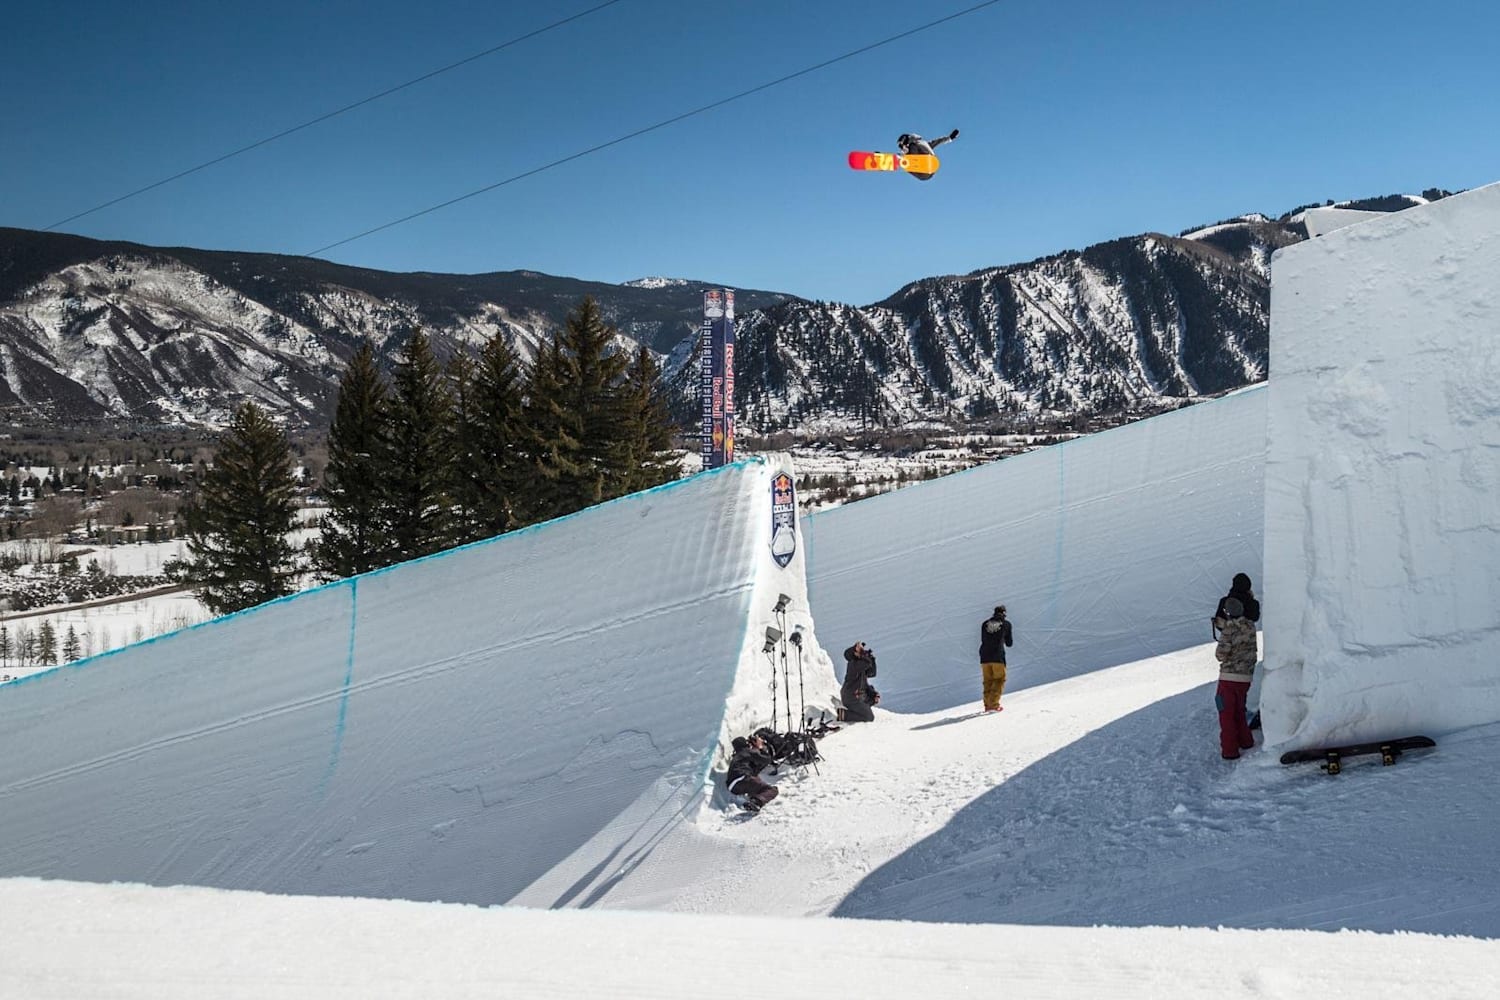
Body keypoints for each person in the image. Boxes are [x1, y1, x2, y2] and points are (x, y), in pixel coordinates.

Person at [1214, 597, 1258, 760]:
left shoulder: (1229, 630)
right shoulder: (1250, 626)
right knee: (1239, 710)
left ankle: (1229, 750)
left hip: (1229, 676)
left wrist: (1224, 628)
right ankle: (1246, 741)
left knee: (1225, 712)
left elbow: (1220, 654)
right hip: (1245, 676)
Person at [725, 734, 779, 811]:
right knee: (772, 790)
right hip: (743, 778)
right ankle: (755, 802)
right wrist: (760, 747)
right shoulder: (747, 751)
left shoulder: (737, 756)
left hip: (732, 786)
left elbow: (753, 770)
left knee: (759, 789)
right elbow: (766, 759)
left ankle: (754, 800)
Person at [978, 604, 1013, 713]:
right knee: (999, 679)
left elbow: (984, 639)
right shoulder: (1006, 624)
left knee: (987, 680)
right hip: (997, 656)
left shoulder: (985, 624)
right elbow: (1009, 643)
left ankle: (987, 704)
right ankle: (993, 704)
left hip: (984, 656)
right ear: (1004, 614)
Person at [840, 641, 880, 724]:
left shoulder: (860, 667)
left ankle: (861, 708)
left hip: (856, 696)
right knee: (869, 717)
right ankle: (844, 715)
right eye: (859, 650)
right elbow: (866, 663)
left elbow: (872, 673)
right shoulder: (853, 665)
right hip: (851, 697)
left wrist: (871, 658)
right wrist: (864, 655)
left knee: (871, 697)